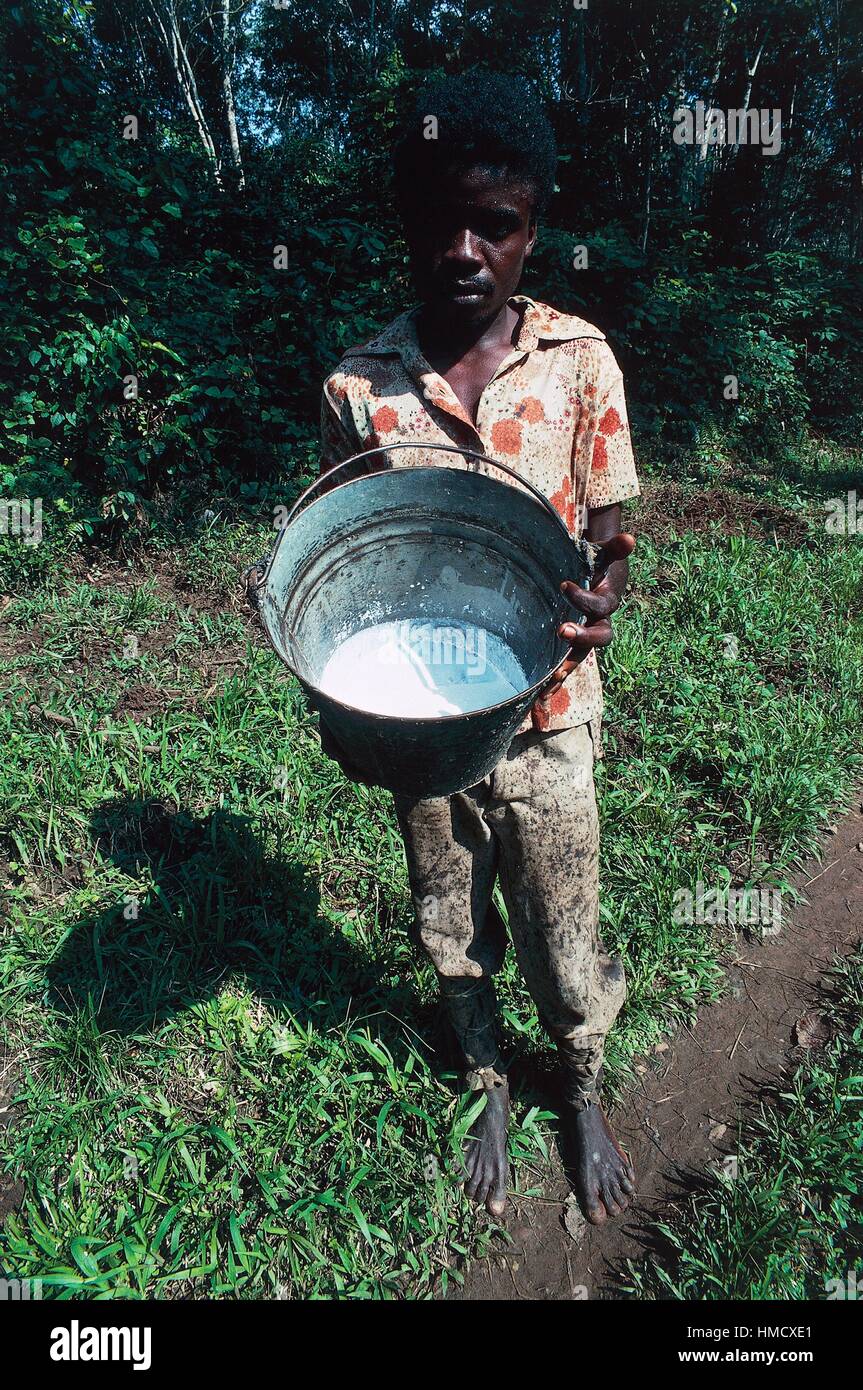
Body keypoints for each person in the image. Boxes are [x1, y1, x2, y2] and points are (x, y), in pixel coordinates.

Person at [317, 71, 639, 1224]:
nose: (465, 248)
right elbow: (338, 552)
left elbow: (609, 534)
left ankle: (579, 1082)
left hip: (550, 713)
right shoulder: (361, 385)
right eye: (440, 219)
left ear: (529, 232)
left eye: (493, 226)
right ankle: (486, 1079)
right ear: (406, 220)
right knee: (448, 919)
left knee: (564, 923)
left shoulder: (579, 363)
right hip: (420, 716)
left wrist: (603, 592)